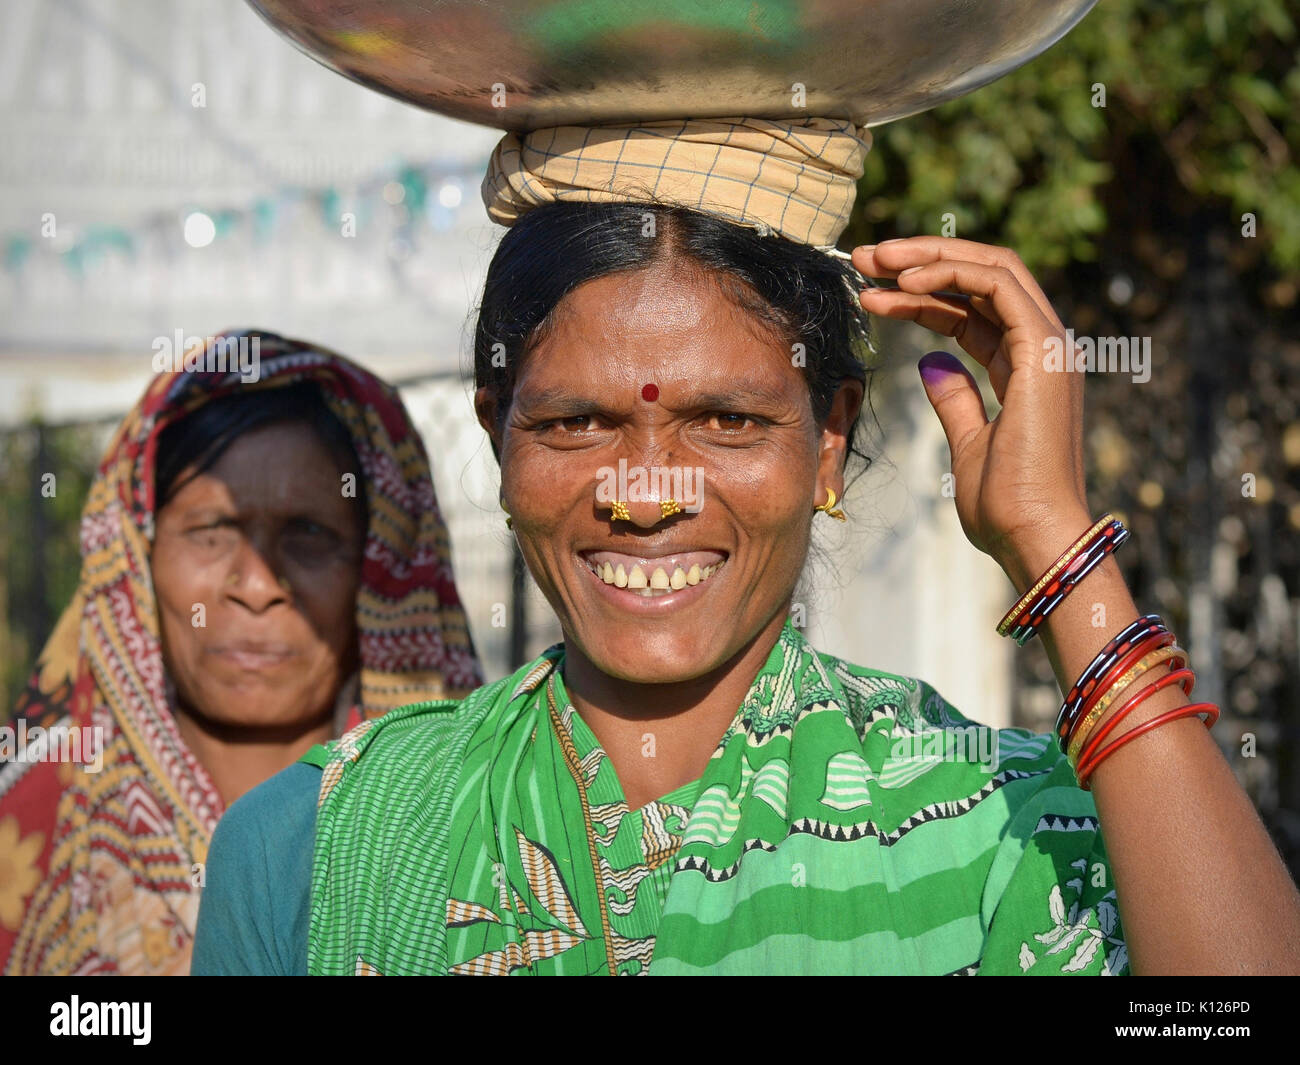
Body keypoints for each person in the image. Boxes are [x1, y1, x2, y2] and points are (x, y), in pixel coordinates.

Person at [193, 119, 1300, 975]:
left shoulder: (994, 826)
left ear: (828, 441)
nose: (645, 491)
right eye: (575, 423)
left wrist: (1057, 544)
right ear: (497, 437)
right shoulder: (312, 843)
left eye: (727, 421)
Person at [0, 331, 481, 974]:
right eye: (211, 532)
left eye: (310, 535)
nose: (256, 586)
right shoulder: (27, 823)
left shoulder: (477, 824)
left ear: (376, 574)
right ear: (139, 559)